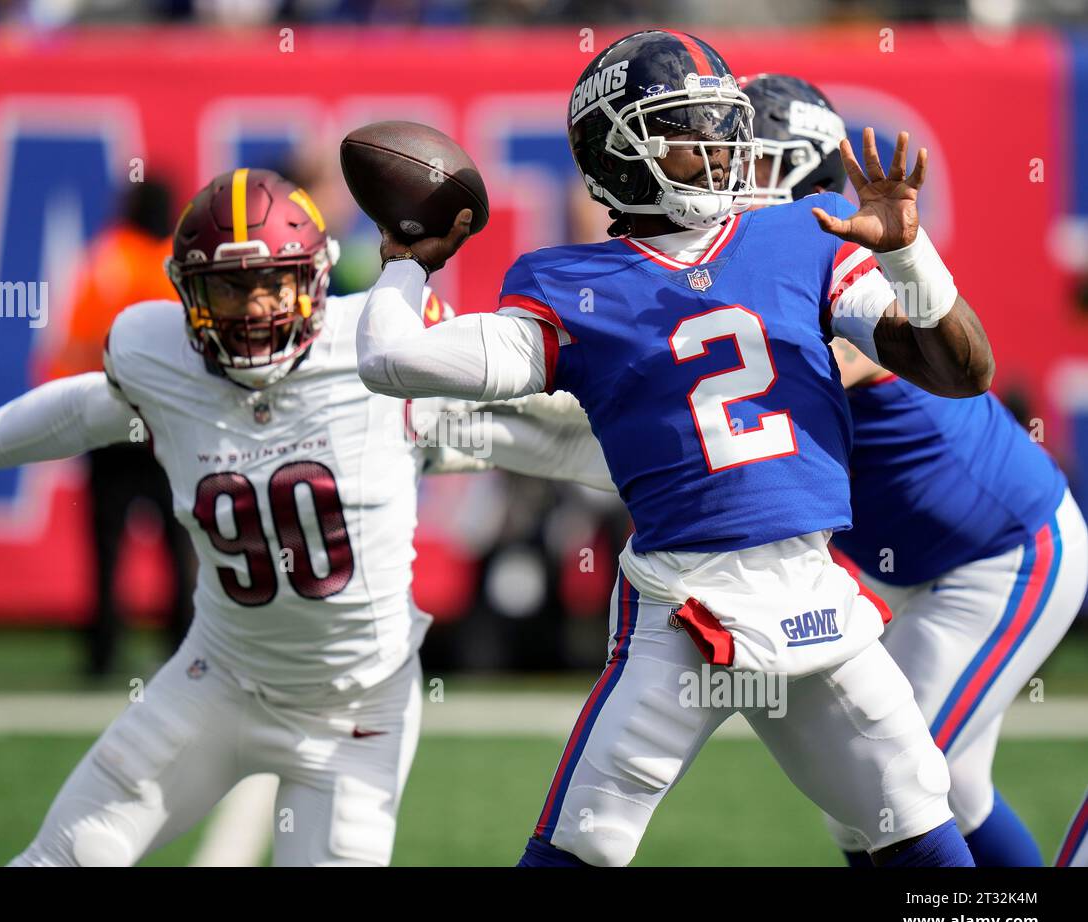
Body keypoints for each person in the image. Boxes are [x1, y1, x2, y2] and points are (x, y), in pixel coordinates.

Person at [0, 168, 606, 866]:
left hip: (357, 713)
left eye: (271, 281)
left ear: (315, 279)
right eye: (227, 285)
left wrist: (683, 468)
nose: (253, 306)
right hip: (217, 682)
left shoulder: (375, 356)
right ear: (188, 292)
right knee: (59, 858)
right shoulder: (162, 360)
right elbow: (77, 411)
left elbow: (542, 438)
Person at [355, 29, 994, 867]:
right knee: (583, 846)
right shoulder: (572, 284)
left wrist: (911, 253)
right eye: (687, 129)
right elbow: (390, 360)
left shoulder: (800, 233)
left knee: (922, 832)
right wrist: (407, 259)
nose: (721, 146)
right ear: (619, 152)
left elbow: (962, 369)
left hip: (810, 587)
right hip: (684, 607)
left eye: (721, 123)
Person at [742, 73, 1088, 867]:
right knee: (947, 789)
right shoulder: (752, 259)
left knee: (888, 787)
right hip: (926, 568)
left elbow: (796, 372)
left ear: (792, 167)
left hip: (1007, 555)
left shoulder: (828, 260)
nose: (724, 169)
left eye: (744, 155)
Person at [48, 178, 195, 676]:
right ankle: (185, 645)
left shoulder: (105, 260)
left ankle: (102, 653)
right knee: (182, 543)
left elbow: (73, 347)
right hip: (166, 426)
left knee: (107, 549)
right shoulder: (179, 264)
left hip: (109, 421)